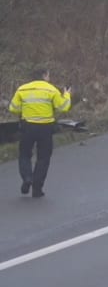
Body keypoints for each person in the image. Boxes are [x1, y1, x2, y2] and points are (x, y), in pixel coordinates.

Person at [8, 68, 72, 197]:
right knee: (43, 158)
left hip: (28, 127)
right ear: (44, 75)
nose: (49, 78)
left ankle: (27, 177)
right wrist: (67, 94)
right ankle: (37, 189)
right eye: (48, 75)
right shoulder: (51, 89)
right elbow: (63, 107)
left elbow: (13, 108)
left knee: (24, 154)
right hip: (45, 128)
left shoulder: (22, 89)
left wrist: (25, 109)